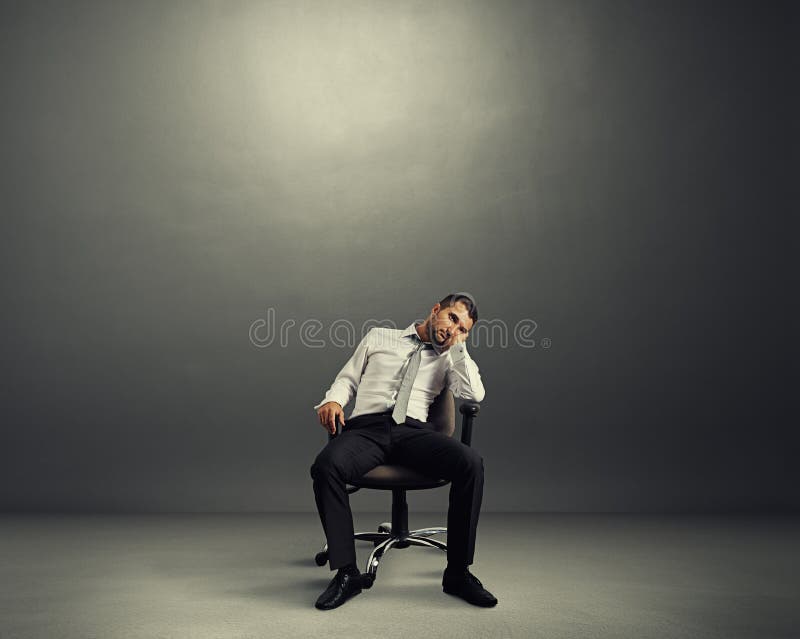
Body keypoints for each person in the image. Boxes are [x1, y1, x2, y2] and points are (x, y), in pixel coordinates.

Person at [310, 292, 498, 610]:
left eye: (464, 328)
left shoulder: (450, 357)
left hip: (414, 434)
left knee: (471, 463)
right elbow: (347, 379)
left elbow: (474, 392)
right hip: (368, 430)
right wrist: (333, 400)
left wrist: (459, 344)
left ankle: (458, 573)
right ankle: (347, 574)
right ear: (435, 310)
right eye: (452, 318)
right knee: (326, 466)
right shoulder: (380, 337)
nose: (454, 330)